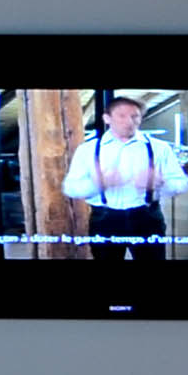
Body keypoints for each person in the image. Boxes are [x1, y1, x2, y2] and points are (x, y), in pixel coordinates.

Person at [60, 93, 176, 256]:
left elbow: (179, 183)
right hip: (104, 221)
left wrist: (161, 183)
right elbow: (70, 188)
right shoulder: (87, 150)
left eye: (134, 116)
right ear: (107, 118)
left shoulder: (160, 148)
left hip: (147, 219)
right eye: (122, 116)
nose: (129, 121)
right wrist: (98, 183)